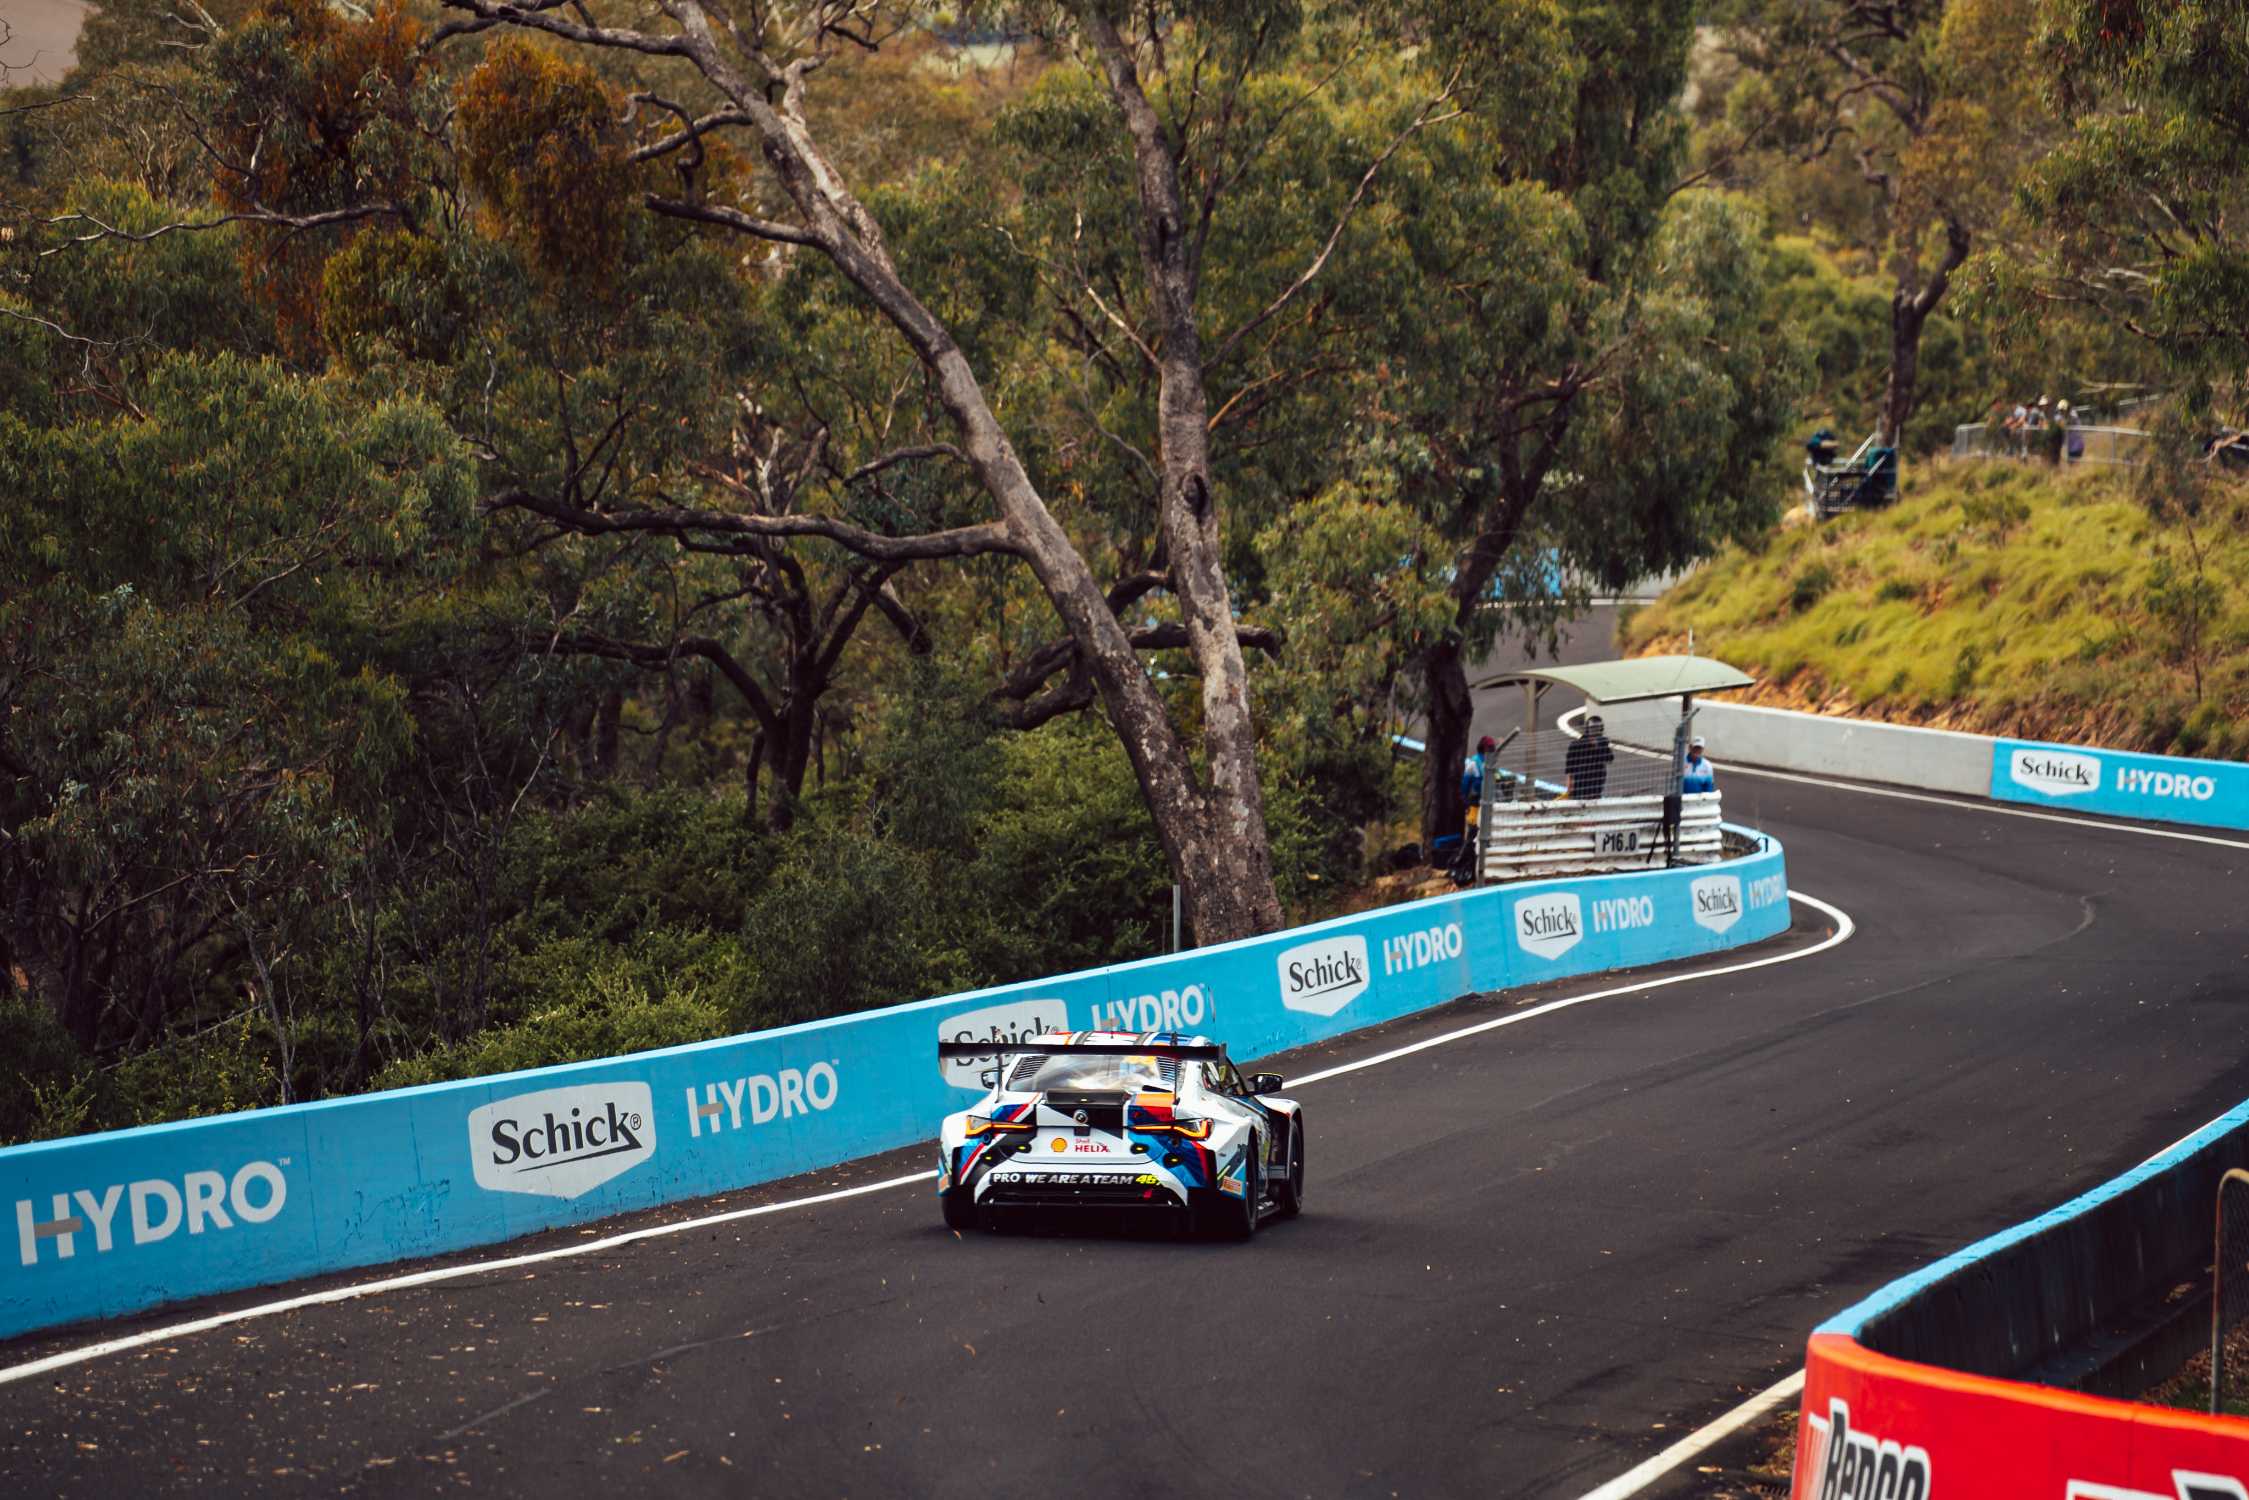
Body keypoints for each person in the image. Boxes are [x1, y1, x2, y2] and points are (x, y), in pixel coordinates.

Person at [1564, 714, 1614, 799]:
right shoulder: (1577, 744)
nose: (1595, 731)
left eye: (1597, 729)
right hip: (1580, 782)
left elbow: (1610, 759)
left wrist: (1598, 747)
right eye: (1592, 729)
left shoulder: (1603, 743)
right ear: (1588, 729)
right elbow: (1569, 767)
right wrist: (1569, 786)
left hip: (1597, 782)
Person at [1461, 734, 1497, 808]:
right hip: (1473, 802)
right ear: (1483, 748)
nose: (1491, 750)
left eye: (1492, 747)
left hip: (1486, 801)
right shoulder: (1474, 763)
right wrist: (1465, 801)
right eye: (1489, 747)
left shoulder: (1490, 762)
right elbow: (1465, 783)